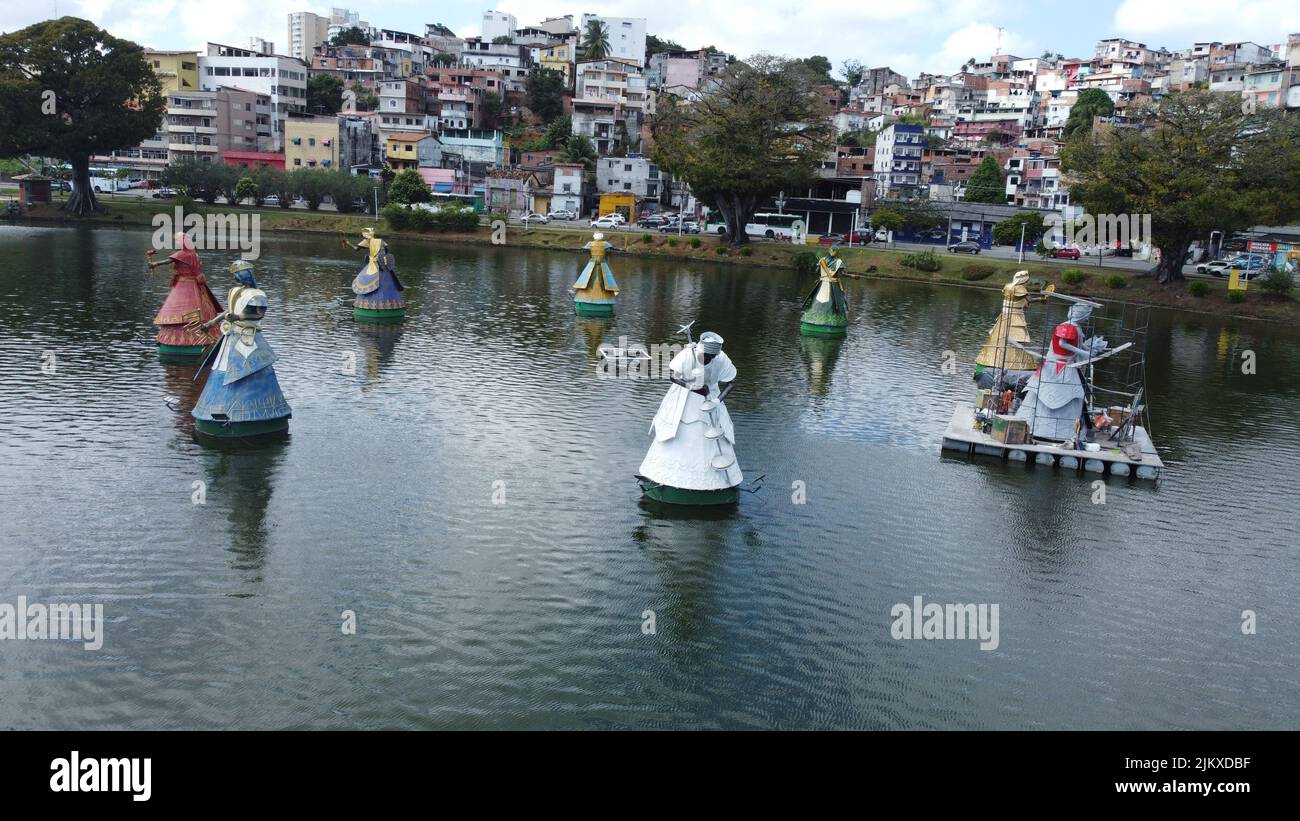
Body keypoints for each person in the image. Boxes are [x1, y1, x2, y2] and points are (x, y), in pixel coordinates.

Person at [188, 260, 291, 439]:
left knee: (248, 370)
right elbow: (228, 311)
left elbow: (258, 314)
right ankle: (213, 407)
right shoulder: (235, 291)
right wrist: (211, 323)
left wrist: (237, 316)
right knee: (221, 368)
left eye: (238, 275)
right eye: (234, 275)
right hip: (231, 337)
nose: (235, 278)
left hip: (248, 340)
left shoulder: (257, 294)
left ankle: (257, 414)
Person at [637, 331, 743, 505]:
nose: (708, 360)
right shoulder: (689, 354)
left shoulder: (721, 359)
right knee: (679, 434)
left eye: (711, 357)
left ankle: (720, 483)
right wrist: (692, 387)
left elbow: (732, 381)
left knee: (713, 437)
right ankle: (666, 479)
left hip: (710, 401)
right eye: (706, 356)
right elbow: (673, 375)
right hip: (684, 399)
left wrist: (717, 400)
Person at [1013, 301, 1107, 445]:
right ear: (1081, 314)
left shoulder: (1077, 328)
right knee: (1047, 396)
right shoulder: (1066, 326)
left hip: (1068, 366)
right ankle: (1036, 429)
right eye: (1087, 315)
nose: (1087, 319)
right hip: (1057, 366)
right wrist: (1083, 352)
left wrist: (1090, 349)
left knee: (1072, 399)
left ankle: (1071, 432)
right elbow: (1063, 344)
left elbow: (1077, 345)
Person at [146, 232, 222, 359]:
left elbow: (168, 261)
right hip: (195, 286)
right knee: (202, 310)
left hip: (184, 286)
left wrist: (154, 264)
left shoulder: (182, 254)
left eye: (178, 241)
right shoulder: (195, 255)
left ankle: (181, 343)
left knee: (180, 311)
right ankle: (209, 340)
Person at [350, 228, 404, 322]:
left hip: (373, 266)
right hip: (384, 267)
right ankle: (394, 309)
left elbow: (355, 249)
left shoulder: (366, 241)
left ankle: (366, 308)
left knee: (368, 282)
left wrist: (347, 243)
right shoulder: (381, 241)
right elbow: (387, 251)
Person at [799, 244, 849, 335]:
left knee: (834, 303)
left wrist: (851, 276)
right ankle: (815, 320)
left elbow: (840, 273)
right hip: (825, 284)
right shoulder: (825, 260)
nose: (833, 252)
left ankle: (832, 322)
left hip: (832, 285)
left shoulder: (836, 261)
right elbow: (839, 273)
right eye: (833, 250)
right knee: (822, 302)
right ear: (830, 250)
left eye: (835, 250)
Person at [573, 232, 620, 316]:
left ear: (594, 237)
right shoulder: (605, 244)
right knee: (606, 278)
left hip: (592, 263)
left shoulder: (590, 244)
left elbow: (584, 248)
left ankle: (582, 298)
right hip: (602, 263)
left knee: (586, 278)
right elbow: (612, 247)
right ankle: (608, 297)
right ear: (601, 237)